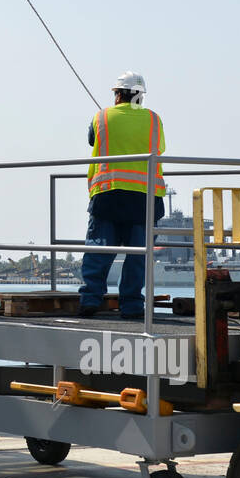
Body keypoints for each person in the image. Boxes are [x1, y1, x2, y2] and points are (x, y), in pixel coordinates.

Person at [78, 71, 166, 321]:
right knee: (139, 255)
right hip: (144, 199)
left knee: (99, 250)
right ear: (140, 96)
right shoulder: (154, 120)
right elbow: (159, 148)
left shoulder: (102, 116)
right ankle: (132, 306)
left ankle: (90, 300)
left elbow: (91, 139)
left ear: (117, 95)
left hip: (108, 194)